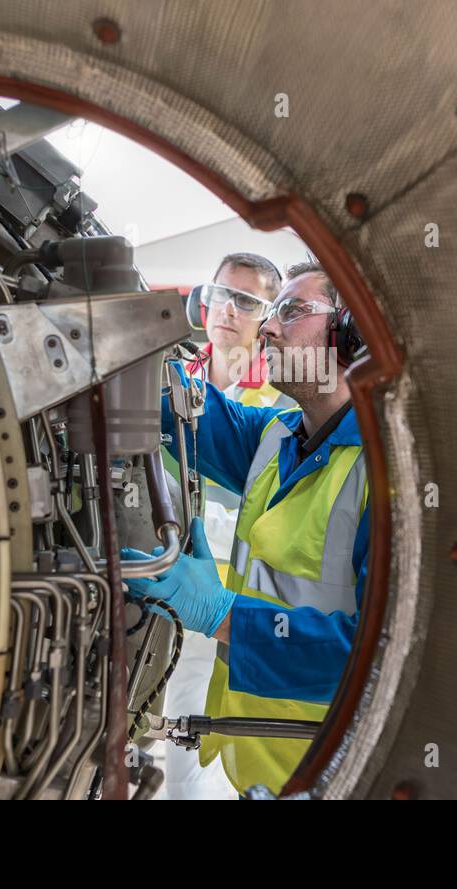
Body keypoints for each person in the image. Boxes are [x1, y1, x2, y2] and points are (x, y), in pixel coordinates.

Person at [127, 261, 369, 796]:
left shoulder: (386, 476)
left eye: (293, 310)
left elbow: (373, 656)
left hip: (333, 771)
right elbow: (180, 407)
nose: (268, 328)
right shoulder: (276, 435)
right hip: (259, 762)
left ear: (354, 331)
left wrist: (223, 618)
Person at [158, 252, 291, 799]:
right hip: (160, 578)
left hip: (224, 597)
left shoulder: (280, 406)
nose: (228, 310)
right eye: (220, 294)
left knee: (197, 733)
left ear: (269, 320)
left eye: (247, 301)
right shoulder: (177, 378)